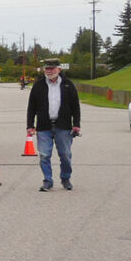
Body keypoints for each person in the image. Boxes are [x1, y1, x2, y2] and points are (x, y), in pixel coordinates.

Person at [26, 58, 81, 191]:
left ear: (59, 69)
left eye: (52, 68)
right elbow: (31, 106)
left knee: (65, 154)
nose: (49, 71)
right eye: (47, 69)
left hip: (64, 126)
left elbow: (75, 106)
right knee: (44, 155)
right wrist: (30, 125)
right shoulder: (39, 85)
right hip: (44, 126)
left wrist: (76, 124)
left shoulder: (68, 84)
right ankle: (48, 180)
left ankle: (65, 178)